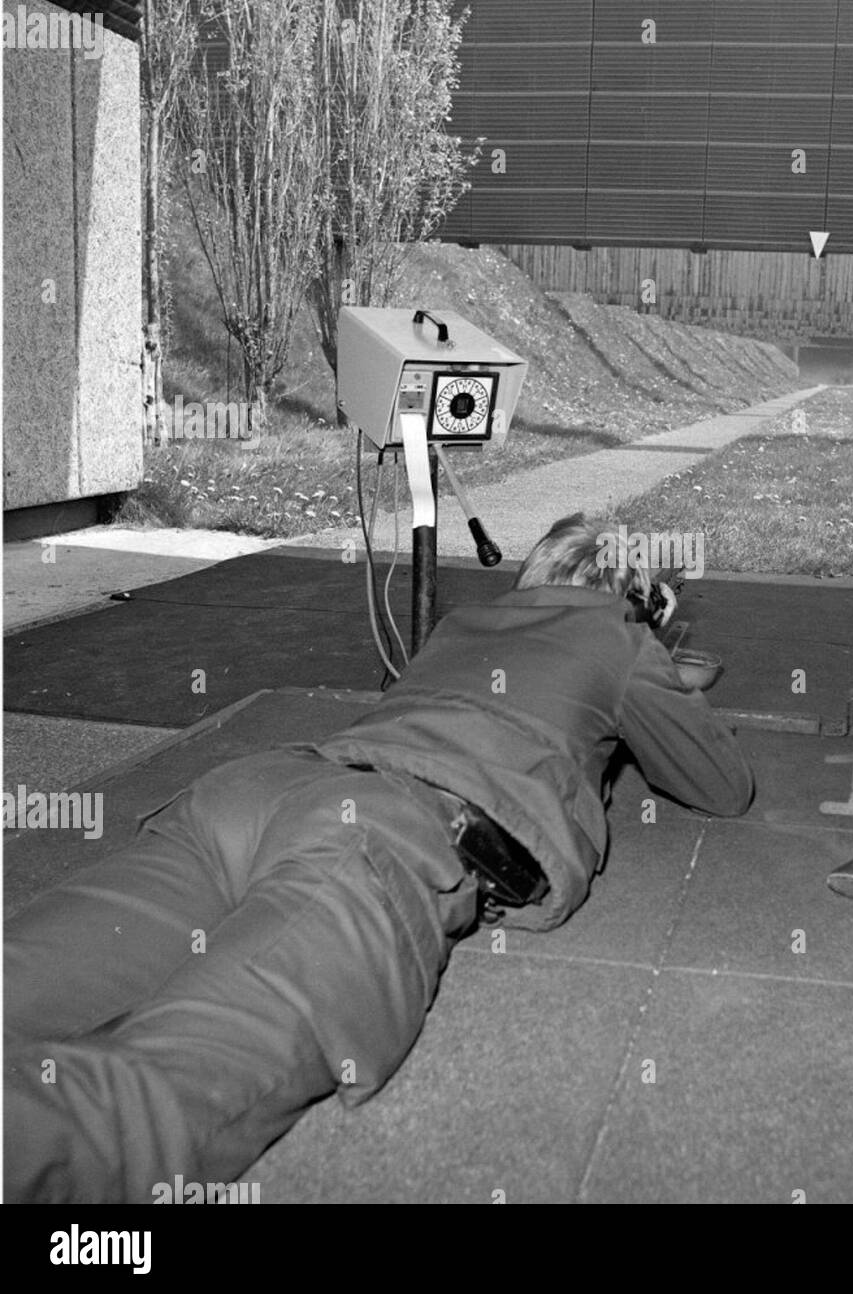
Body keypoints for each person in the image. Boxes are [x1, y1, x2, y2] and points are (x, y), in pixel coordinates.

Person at [4, 513, 753, 1203]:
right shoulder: (622, 641)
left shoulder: (462, 622)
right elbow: (722, 786)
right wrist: (654, 661)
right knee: (139, 1110)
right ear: (641, 602)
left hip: (250, 796)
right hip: (380, 834)